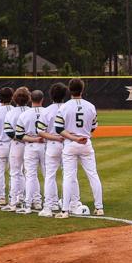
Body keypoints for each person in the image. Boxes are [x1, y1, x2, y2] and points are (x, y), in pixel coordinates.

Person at [57, 78, 104, 215]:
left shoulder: (64, 107)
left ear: (69, 90)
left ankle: (65, 210)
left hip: (70, 143)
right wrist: (82, 135)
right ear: (82, 90)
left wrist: (74, 137)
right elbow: (93, 127)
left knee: (68, 177)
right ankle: (99, 207)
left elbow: (59, 129)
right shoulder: (90, 106)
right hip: (85, 143)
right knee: (93, 175)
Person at [40, 83, 68, 217]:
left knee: (50, 175)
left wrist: (56, 138)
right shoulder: (69, 107)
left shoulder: (46, 111)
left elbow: (41, 131)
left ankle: (49, 206)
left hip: (52, 144)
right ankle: (72, 203)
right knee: (69, 175)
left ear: (51, 95)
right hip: (68, 143)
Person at [18, 90, 47, 215]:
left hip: (30, 146)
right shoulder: (47, 112)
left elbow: (19, 135)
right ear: (42, 99)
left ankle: (28, 204)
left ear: (31, 99)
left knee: (30, 176)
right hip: (46, 146)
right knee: (48, 175)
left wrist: (34, 139)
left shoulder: (24, 114)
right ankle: (50, 202)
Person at [5, 87, 30, 212]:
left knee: (15, 173)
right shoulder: (31, 111)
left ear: (14, 99)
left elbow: (9, 132)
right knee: (30, 173)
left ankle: (14, 201)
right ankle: (32, 200)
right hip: (31, 144)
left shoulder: (10, 113)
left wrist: (19, 138)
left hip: (16, 144)